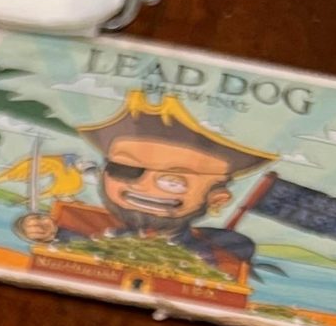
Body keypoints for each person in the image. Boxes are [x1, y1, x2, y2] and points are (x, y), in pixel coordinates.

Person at [17, 92, 272, 285]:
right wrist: (44, 231)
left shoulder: (221, 249)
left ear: (217, 199)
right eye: (126, 169)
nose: (142, 185)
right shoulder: (101, 234)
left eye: (173, 181)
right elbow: (82, 245)